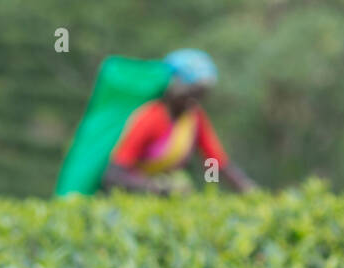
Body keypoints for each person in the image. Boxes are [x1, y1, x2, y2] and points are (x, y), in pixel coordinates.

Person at [101, 49, 256, 196]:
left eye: (201, 95)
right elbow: (114, 174)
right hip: (133, 197)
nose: (195, 101)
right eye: (191, 93)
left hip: (169, 195)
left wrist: (219, 185)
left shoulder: (193, 117)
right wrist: (155, 188)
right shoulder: (152, 117)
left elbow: (212, 160)